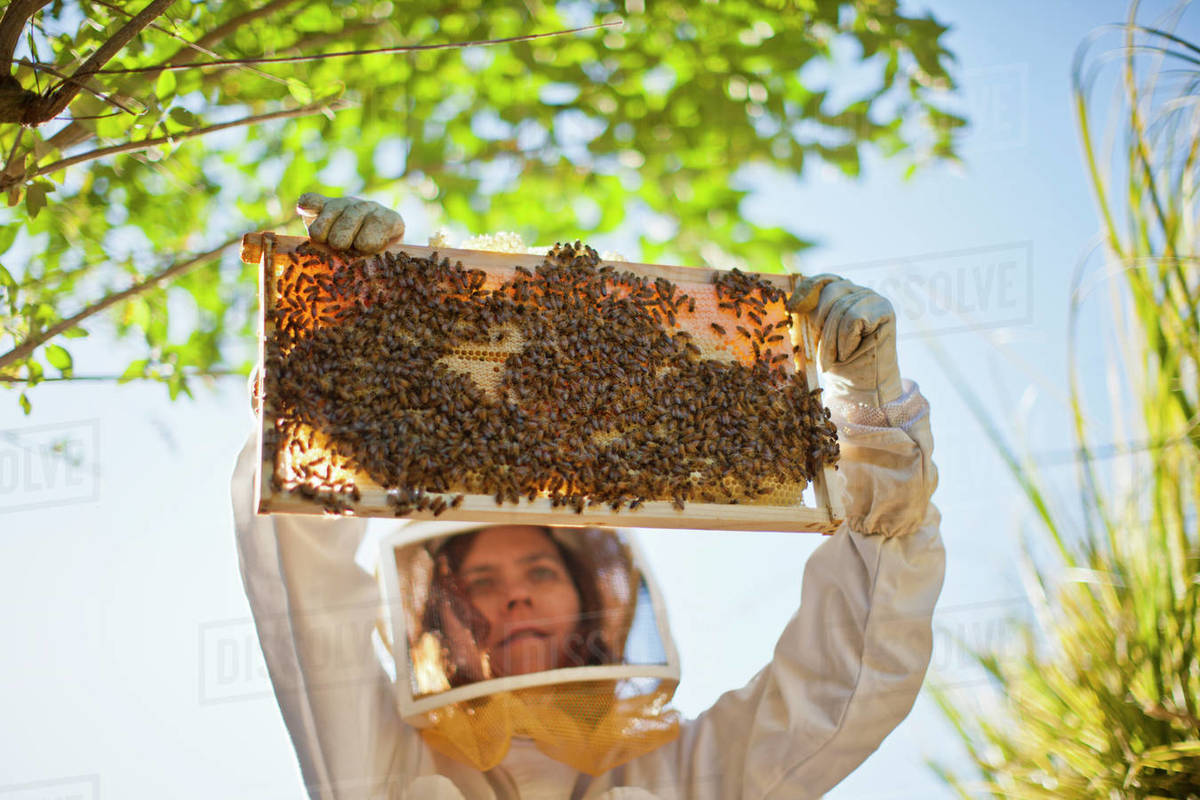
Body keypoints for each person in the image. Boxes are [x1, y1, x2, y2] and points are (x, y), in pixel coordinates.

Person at [230, 195, 946, 799]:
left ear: (595, 594)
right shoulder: (387, 767)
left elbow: (846, 690)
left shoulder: (688, 773)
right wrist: (331, 330)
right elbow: (307, 606)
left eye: (540, 571)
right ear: (440, 613)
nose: (515, 597)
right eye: (480, 579)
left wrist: (874, 424)